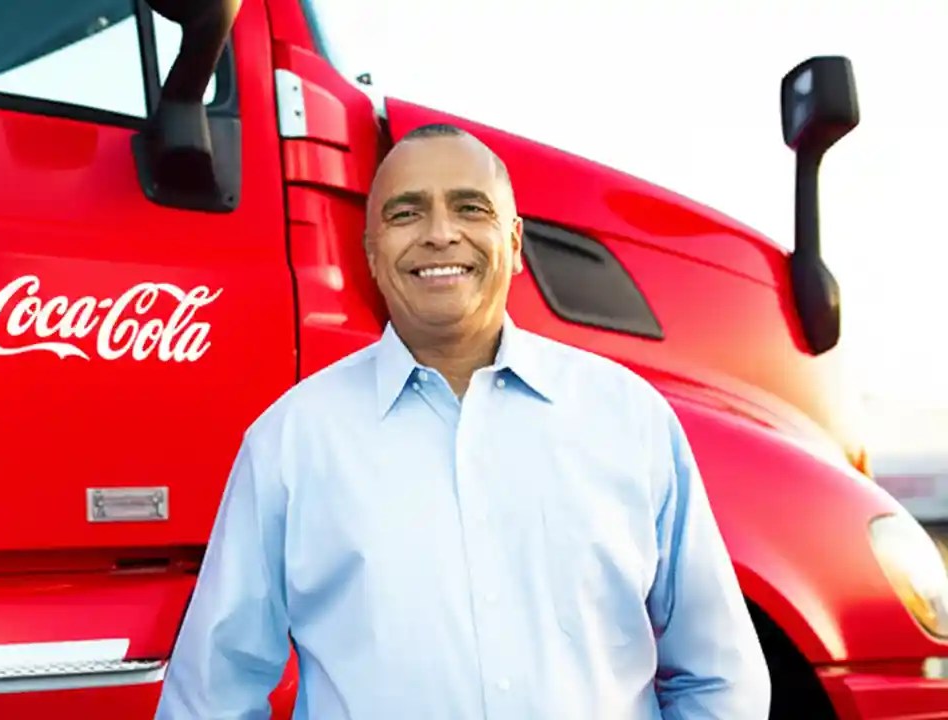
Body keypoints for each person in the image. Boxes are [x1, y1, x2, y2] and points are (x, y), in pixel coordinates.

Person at [154, 123, 771, 719]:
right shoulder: (291, 442)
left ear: (515, 243)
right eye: (406, 213)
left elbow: (721, 675)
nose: (440, 234)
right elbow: (211, 695)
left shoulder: (629, 419)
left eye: (471, 208)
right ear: (371, 253)